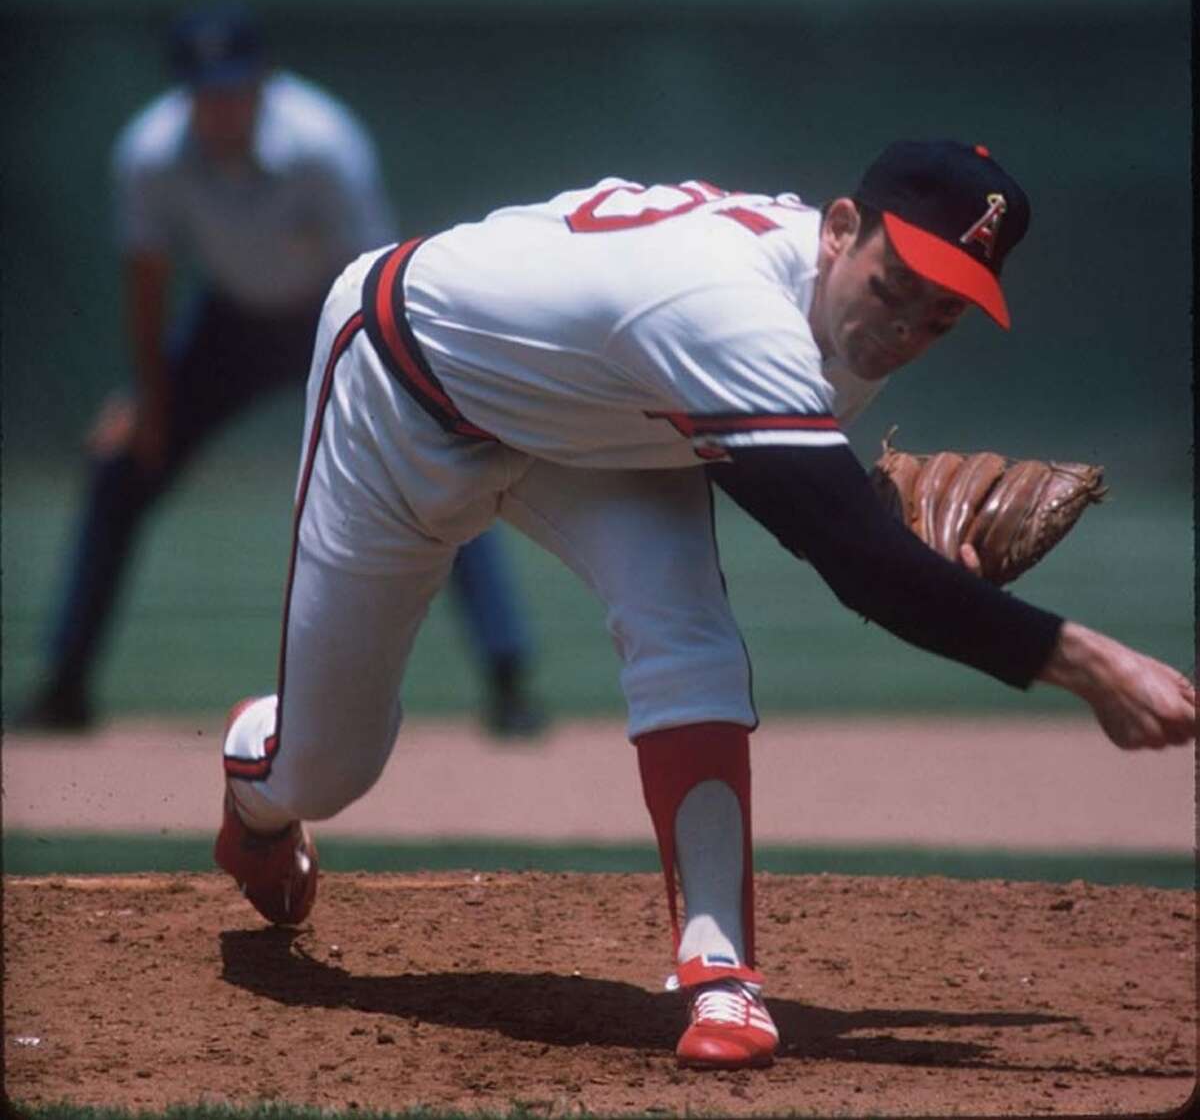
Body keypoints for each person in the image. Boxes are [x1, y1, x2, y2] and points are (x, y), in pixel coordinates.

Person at [212, 143, 1195, 1070]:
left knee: (690, 634)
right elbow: (855, 563)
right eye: (896, 284)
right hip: (407, 389)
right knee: (329, 768)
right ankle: (258, 773)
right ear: (839, 228)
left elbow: (814, 505)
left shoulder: (841, 323)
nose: (905, 326)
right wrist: (1093, 665)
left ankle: (721, 975)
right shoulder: (723, 302)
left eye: (942, 314)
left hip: (602, 426)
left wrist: (886, 537)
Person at [17, 2, 544, 740]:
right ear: (183, 92)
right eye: (205, 92)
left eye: (234, 88)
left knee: (433, 465)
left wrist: (407, 401)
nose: (221, 108)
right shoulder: (150, 154)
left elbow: (374, 276)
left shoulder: (323, 145)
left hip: (332, 314)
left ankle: (508, 679)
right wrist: (148, 400)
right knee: (120, 467)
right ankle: (66, 685)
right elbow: (148, 282)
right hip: (227, 322)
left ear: (263, 81)